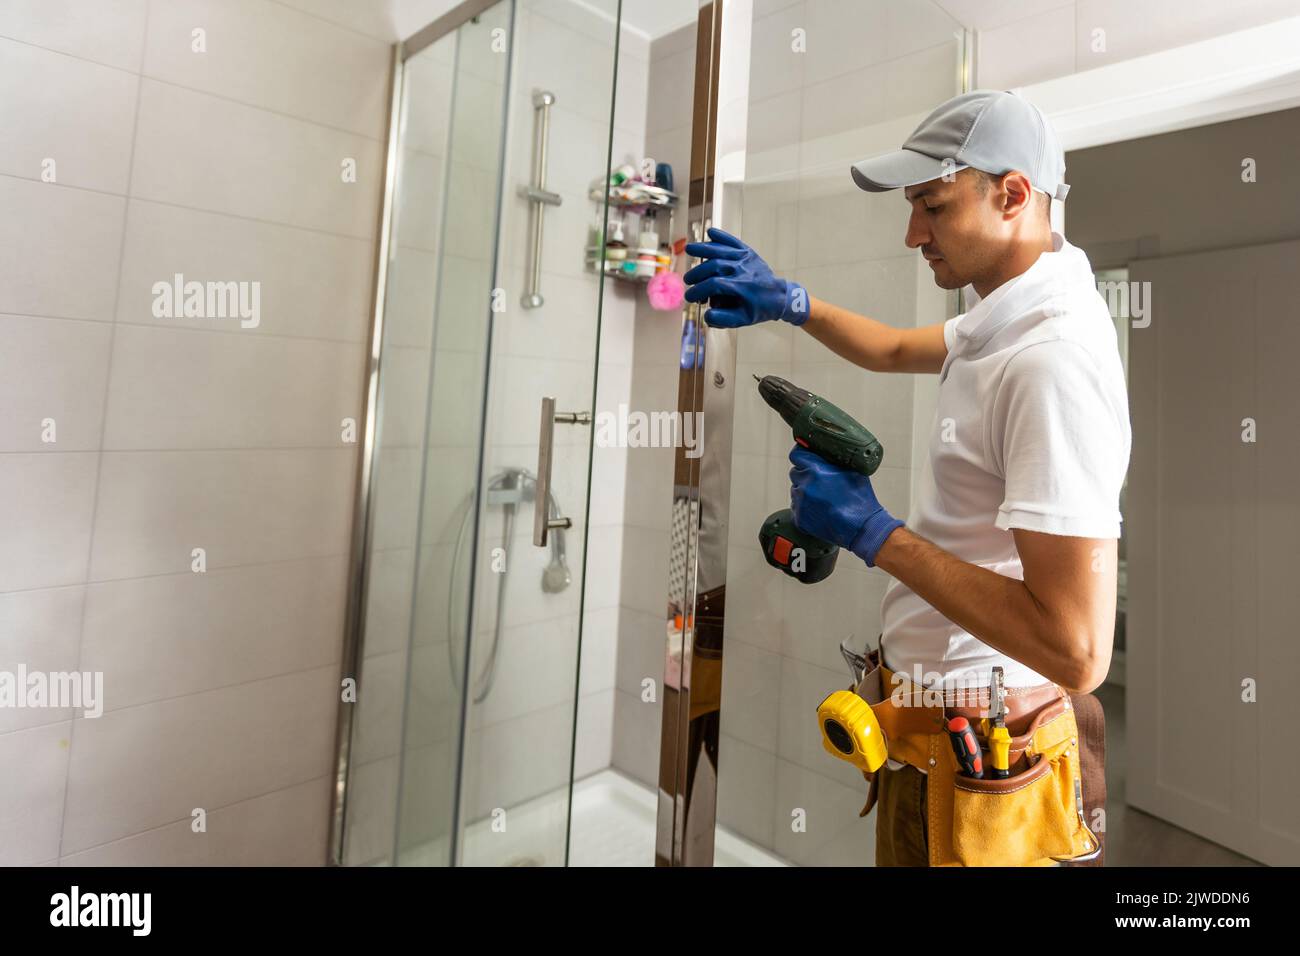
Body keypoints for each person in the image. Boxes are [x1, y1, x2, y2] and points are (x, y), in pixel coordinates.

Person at [682, 89, 1129, 866]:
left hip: (978, 764)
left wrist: (873, 532)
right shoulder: (1006, 316)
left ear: (1013, 193)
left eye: (932, 205)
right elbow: (890, 348)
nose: (912, 232)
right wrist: (790, 301)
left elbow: (1079, 650)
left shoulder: (1050, 360)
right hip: (936, 740)